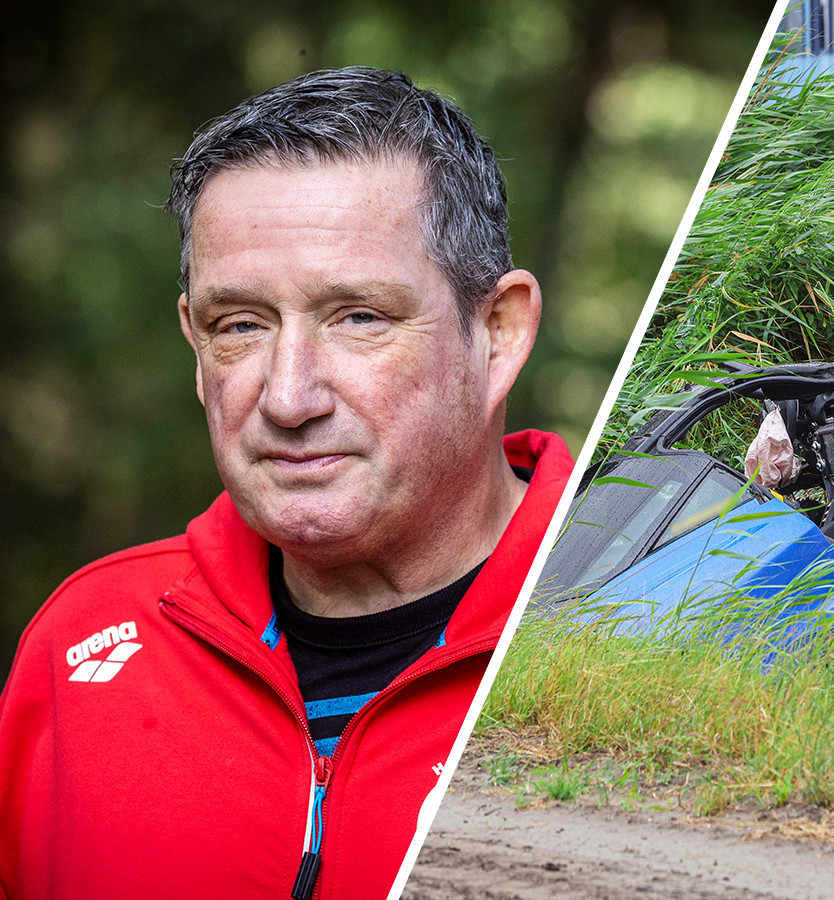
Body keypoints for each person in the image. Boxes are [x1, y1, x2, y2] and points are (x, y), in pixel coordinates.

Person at [0, 67, 574, 900]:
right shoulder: (86, 643)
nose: (289, 396)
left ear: (499, 332)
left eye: (359, 318)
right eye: (241, 326)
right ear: (196, 346)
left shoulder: (626, 615)